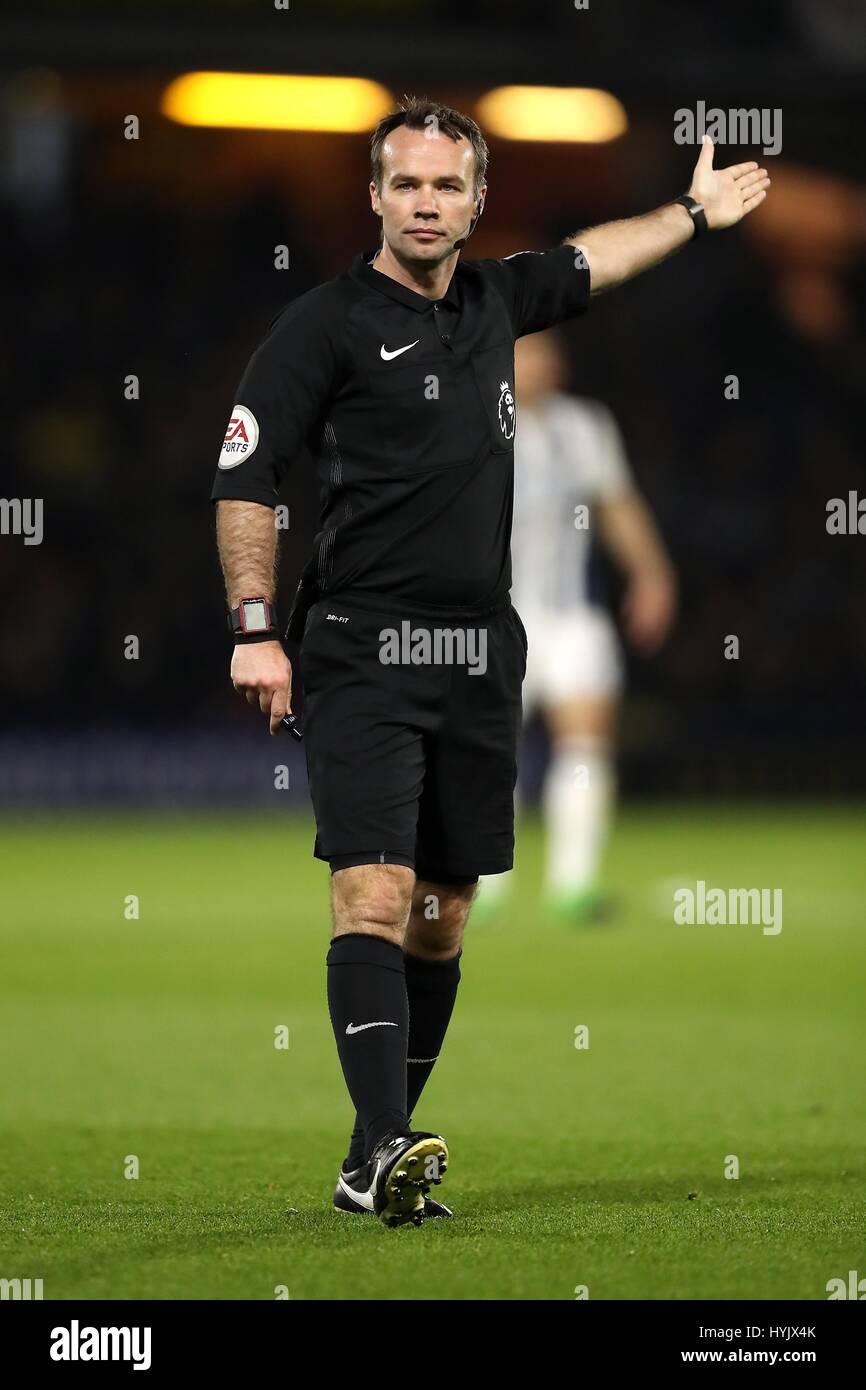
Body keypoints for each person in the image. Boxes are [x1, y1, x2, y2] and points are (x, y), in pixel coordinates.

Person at [210, 95, 770, 1228]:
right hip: (359, 644)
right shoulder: (318, 326)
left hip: (479, 651)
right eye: (404, 183)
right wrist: (255, 627)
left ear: (475, 201)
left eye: (446, 185)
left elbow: (590, 260)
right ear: (374, 195)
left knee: (443, 913)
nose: (425, 202)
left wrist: (692, 213)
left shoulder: (493, 303)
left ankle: (371, 1150)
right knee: (369, 891)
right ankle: (382, 1147)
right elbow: (243, 479)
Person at [476, 330, 677, 923]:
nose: (535, 364)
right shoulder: (469, 421)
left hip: (570, 616)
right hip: (490, 619)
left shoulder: (585, 426)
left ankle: (575, 885)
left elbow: (616, 503)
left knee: (586, 741)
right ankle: (483, 887)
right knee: (488, 749)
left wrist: (652, 575)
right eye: (521, 353)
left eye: (543, 352)